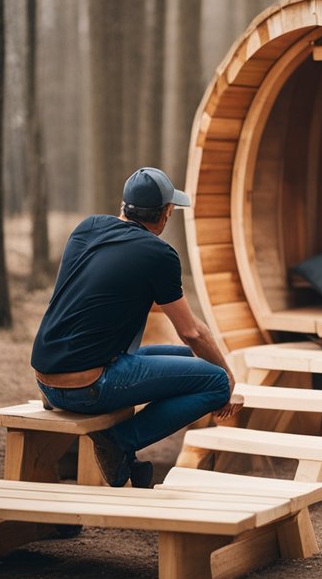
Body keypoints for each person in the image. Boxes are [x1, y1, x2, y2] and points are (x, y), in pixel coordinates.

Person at [30, 167, 243, 487]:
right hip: (88, 386)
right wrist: (228, 378)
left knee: (188, 357)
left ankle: (121, 454)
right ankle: (120, 442)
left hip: (46, 378)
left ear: (123, 205)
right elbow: (193, 331)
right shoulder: (159, 254)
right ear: (166, 214)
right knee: (213, 382)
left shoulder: (87, 228)